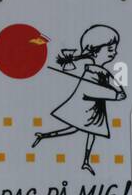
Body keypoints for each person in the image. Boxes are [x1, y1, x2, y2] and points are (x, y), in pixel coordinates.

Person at [31, 24, 126, 174]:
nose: (114, 53)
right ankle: (45, 136)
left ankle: (84, 160)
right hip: (86, 107)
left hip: (96, 108)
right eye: (110, 49)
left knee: (88, 132)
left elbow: (117, 87)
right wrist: (115, 95)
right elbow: (89, 91)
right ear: (95, 52)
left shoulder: (102, 71)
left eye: (114, 49)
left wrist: (118, 91)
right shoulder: (92, 72)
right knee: (78, 130)